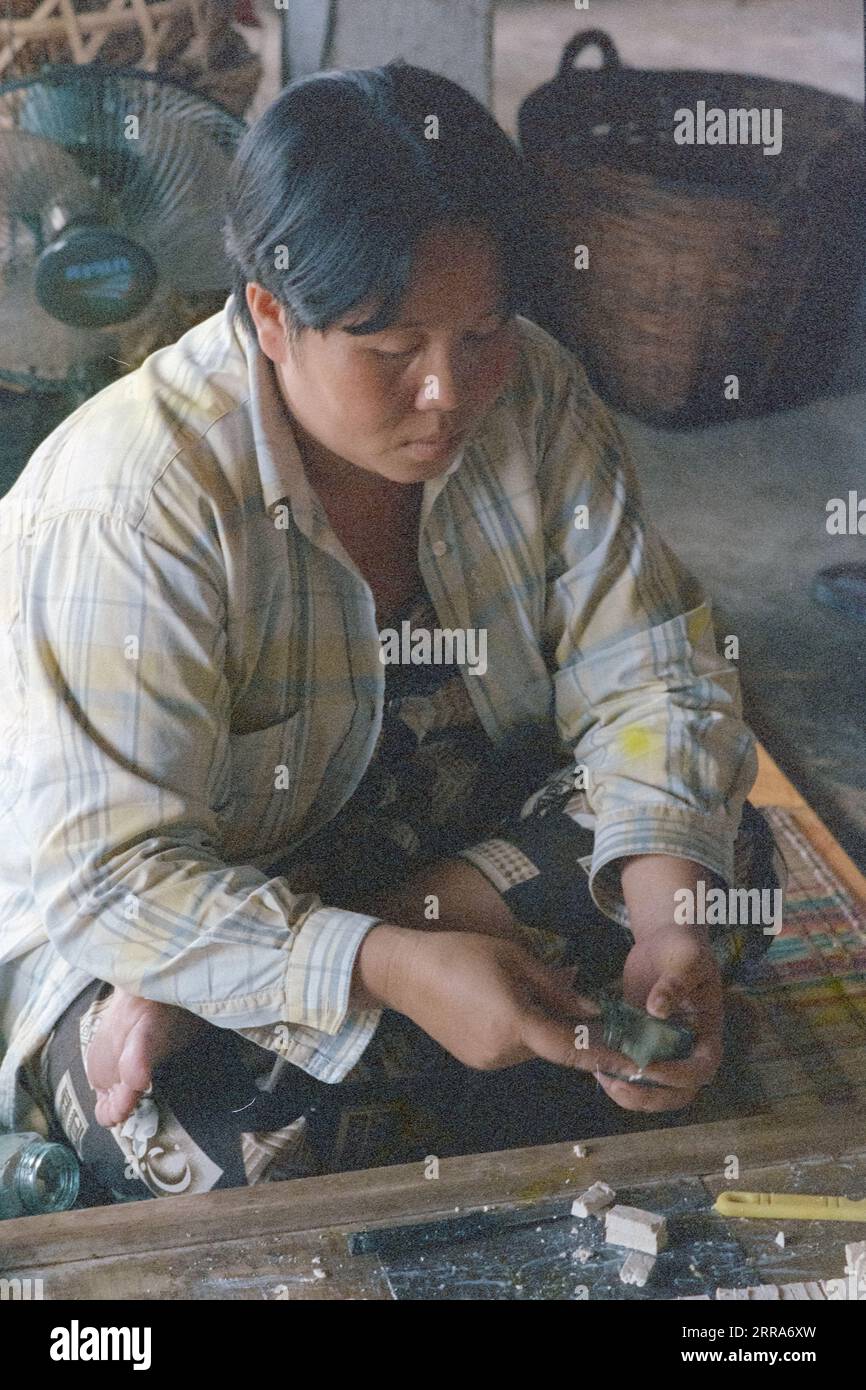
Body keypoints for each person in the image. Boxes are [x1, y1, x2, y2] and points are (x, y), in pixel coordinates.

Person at [0, 61, 786, 1203]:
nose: (446, 393)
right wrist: (387, 967)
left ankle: (473, 1034)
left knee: (718, 865)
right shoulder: (127, 504)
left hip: (412, 842)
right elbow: (114, 879)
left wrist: (668, 929)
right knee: (221, 1142)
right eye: (388, 352)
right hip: (156, 909)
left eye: (480, 334)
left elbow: (653, 671)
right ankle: (491, 1043)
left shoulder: (536, 396)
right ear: (271, 315)